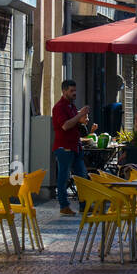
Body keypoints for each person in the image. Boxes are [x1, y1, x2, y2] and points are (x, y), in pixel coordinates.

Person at [52, 79, 95, 215]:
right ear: (64, 91)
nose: (74, 93)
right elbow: (65, 125)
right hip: (64, 148)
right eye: (71, 91)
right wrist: (80, 115)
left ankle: (84, 205)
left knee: (82, 177)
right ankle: (64, 206)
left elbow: (73, 123)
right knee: (63, 178)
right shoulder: (59, 107)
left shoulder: (71, 106)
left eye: (75, 90)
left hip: (75, 147)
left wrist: (81, 119)